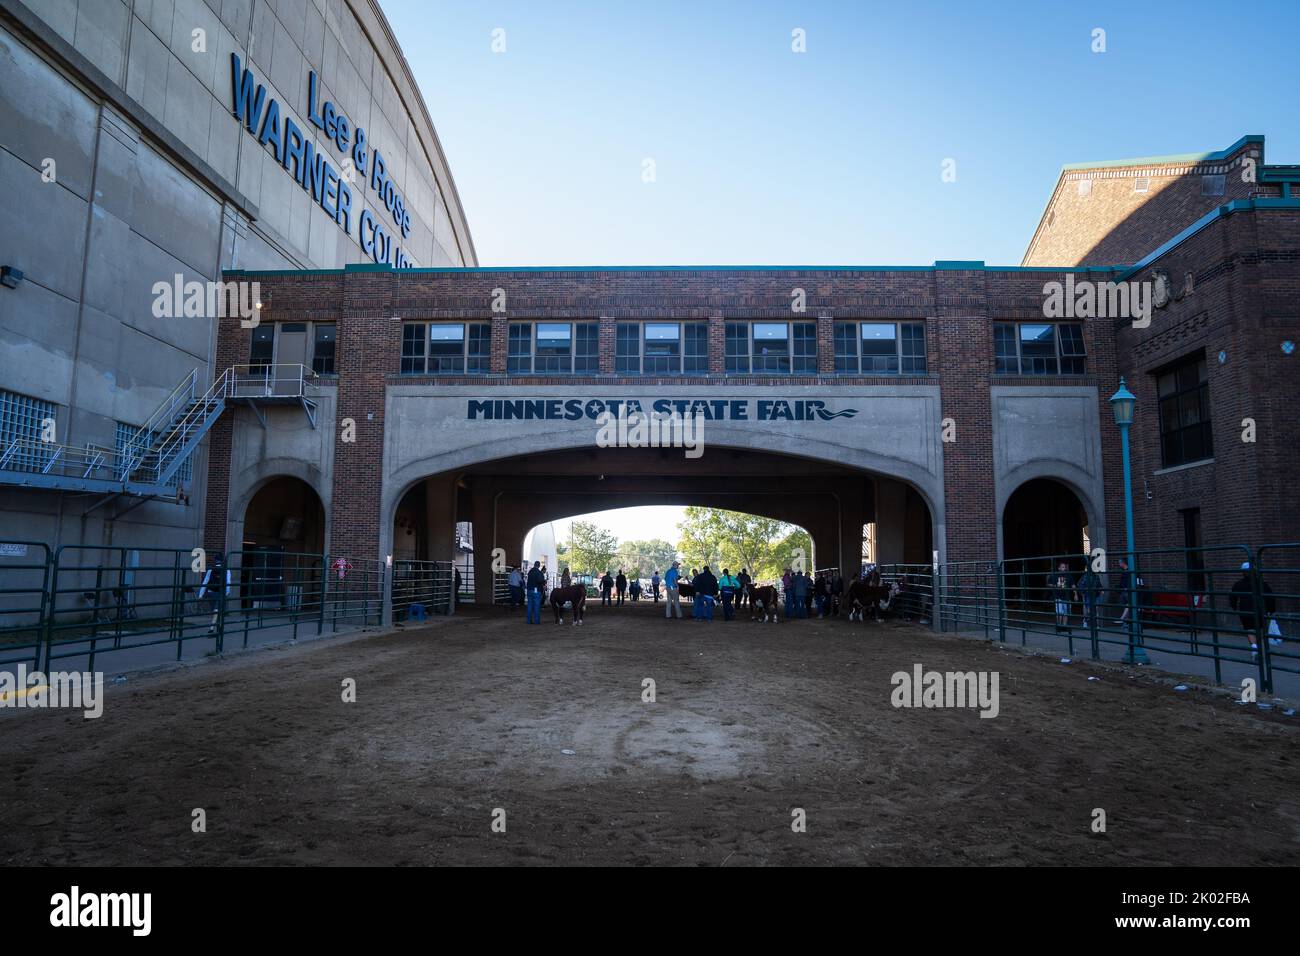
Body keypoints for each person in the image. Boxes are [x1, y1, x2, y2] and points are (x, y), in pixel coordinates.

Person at [1230, 562, 1278, 655]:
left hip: (1245, 609)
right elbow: (1270, 597)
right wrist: (1271, 610)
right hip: (1259, 609)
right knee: (1259, 628)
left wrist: (1234, 607)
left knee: (1249, 628)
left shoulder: (1238, 584)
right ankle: (1258, 646)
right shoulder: (1262, 583)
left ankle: (1254, 646)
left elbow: (1233, 597)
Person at [198, 552, 231, 635]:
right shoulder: (226, 570)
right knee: (218, 610)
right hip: (221, 592)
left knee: (216, 610)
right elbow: (228, 582)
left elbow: (205, 583)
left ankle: (217, 628)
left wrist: (200, 595)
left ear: (215, 560)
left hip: (211, 592)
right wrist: (226, 593)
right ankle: (212, 628)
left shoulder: (210, 570)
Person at [1048, 561, 1075, 634]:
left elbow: (1073, 584)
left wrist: (1075, 593)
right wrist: (1055, 586)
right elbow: (1049, 584)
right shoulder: (1054, 575)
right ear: (1059, 568)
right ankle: (1059, 626)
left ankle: (1064, 626)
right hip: (1058, 596)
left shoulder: (1068, 575)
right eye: (1062, 567)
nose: (1064, 568)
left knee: (1066, 613)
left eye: (1064, 567)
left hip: (1067, 596)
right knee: (1059, 612)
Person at [1076, 562, 1102, 630]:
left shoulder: (1096, 576)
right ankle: (1085, 620)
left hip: (1096, 595)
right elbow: (1079, 585)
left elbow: (1099, 585)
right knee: (1088, 610)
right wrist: (1083, 592)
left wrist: (1101, 590)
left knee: (1096, 609)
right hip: (1088, 595)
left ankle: (1097, 625)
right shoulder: (1084, 576)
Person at [525, 561, 545, 625]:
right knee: (537, 606)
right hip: (536, 590)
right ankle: (537, 621)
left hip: (529, 590)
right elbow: (540, 580)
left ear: (534, 565)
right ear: (539, 566)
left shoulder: (530, 572)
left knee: (529, 606)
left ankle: (528, 621)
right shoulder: (538, 572)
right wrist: (544, 581)